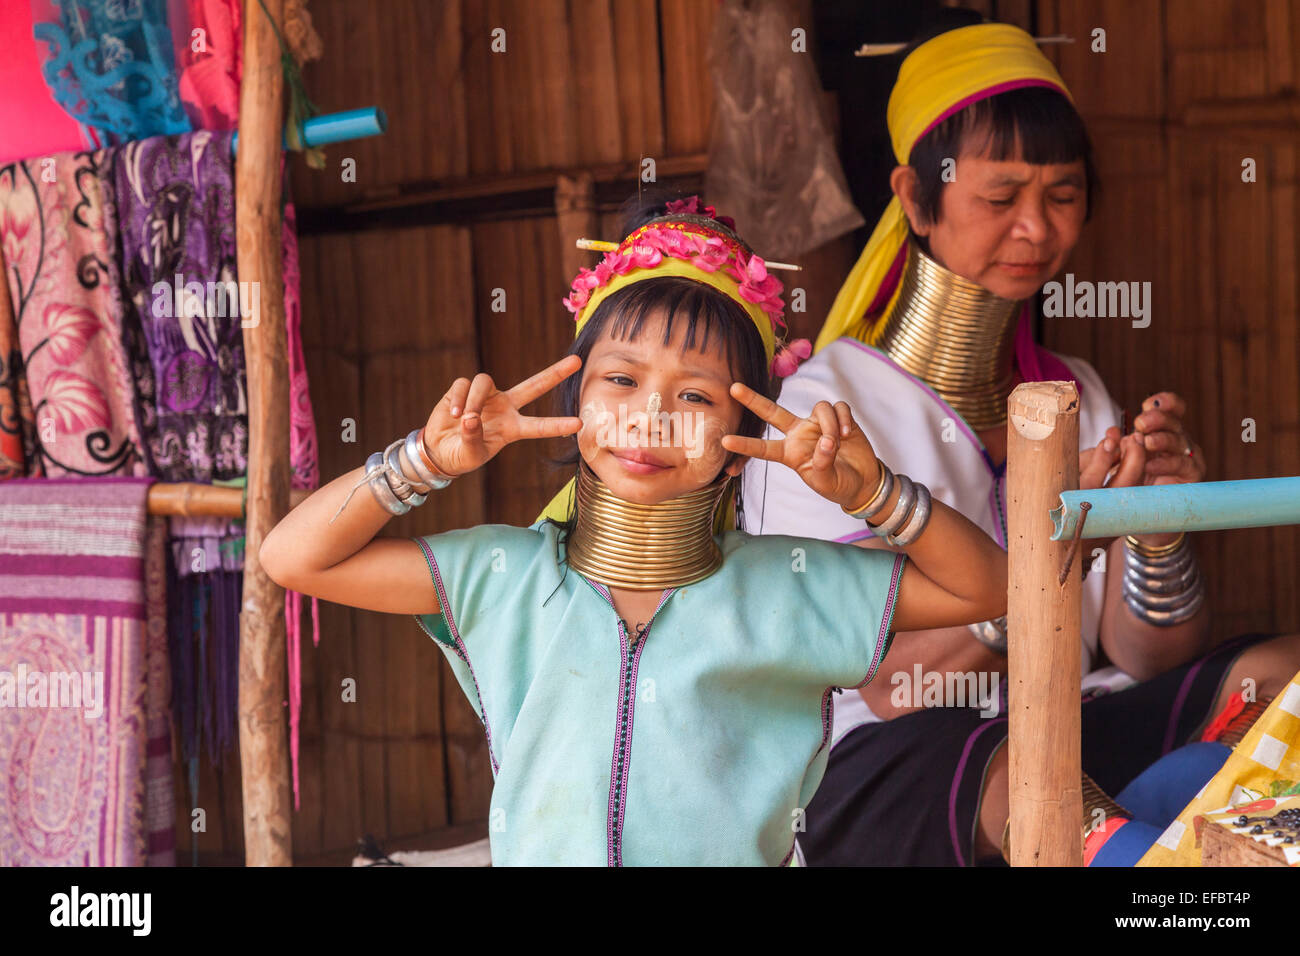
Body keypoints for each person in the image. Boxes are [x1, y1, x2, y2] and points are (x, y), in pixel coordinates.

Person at [258, 201, 1009, 865]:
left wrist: (875, 493)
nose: (651, 416)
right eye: (620, 380)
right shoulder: (503, 577)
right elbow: (291, 557)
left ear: (745, 433)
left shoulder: (790, 588)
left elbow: (993, 589)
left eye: (695, 394)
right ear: (577, 396)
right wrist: (426, 460)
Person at [743, 13, 1300, 866]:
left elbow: (1149, 657)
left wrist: (1156, 530)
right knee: (1020, 769)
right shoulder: (825, 415)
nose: (1036, 229)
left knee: (1283, 671)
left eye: (1063, 195)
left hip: (1067, 719)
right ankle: (1182, 874)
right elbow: (890, 687)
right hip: (895, 763)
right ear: (914, 200)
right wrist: (1037, 568)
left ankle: (1173, 835)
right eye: (1000, 198)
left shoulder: (1078, 391)